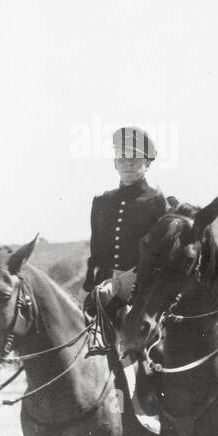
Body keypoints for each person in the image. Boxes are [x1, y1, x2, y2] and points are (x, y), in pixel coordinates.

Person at [84, 126, 171, 304]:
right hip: (104, 293)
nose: (128, 163)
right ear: (115, 163)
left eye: (135, 158)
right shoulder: (102, 202)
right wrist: (92, 288)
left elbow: (162, 256)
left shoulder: (159, 203)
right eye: (122, 158)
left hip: (144, 295)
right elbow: (97, 252)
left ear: (147, 163)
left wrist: (121, 283)